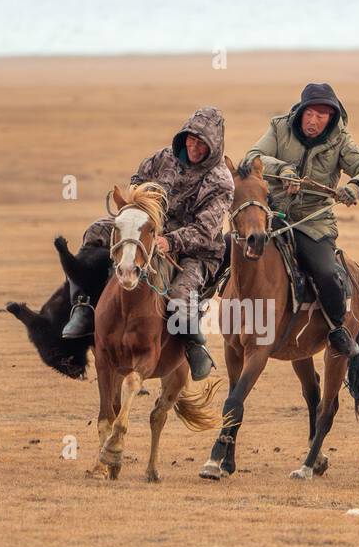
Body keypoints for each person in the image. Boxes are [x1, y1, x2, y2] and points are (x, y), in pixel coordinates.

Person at [61, 106, 232, 380]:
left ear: (215, 147)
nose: (195, 148)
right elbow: (137, 184)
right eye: (192, 139)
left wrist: (170, 241)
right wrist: (137, 213)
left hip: (195, 250)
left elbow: (206, 229)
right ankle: (82, 305)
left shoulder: (221, 181)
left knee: (179, 297)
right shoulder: (162, 158)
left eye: (203, 144)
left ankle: (192, 345)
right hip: (147, 228)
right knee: (96, 231)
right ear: (184, 136)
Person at [243, 83, 359, 357]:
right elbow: (252, 158)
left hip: (313, 223)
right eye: (310, 113)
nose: (314, 120)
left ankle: (337, 328)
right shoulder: (279, 127)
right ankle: (198, 319)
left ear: (332, 117)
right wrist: (281, 169)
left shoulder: (341, 140)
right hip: (273, 215)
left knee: (327, 273)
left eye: (322, 115)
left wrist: (355, 186)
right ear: (301, 111)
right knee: (229, 249)